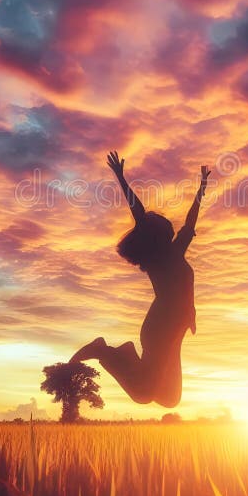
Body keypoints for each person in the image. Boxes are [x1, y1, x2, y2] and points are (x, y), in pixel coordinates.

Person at [70, 151, 210, 407]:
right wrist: (121, 177)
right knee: (144, 394)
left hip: (174, 332)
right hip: (160, 330)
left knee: (169, 399)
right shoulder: (162, 258)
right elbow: (141, 214)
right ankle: (104, 351)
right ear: (155, 234)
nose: (168, 223)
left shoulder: (174, 252)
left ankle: (121, 353)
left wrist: (202, 188)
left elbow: (189, 221)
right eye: (161, 222)